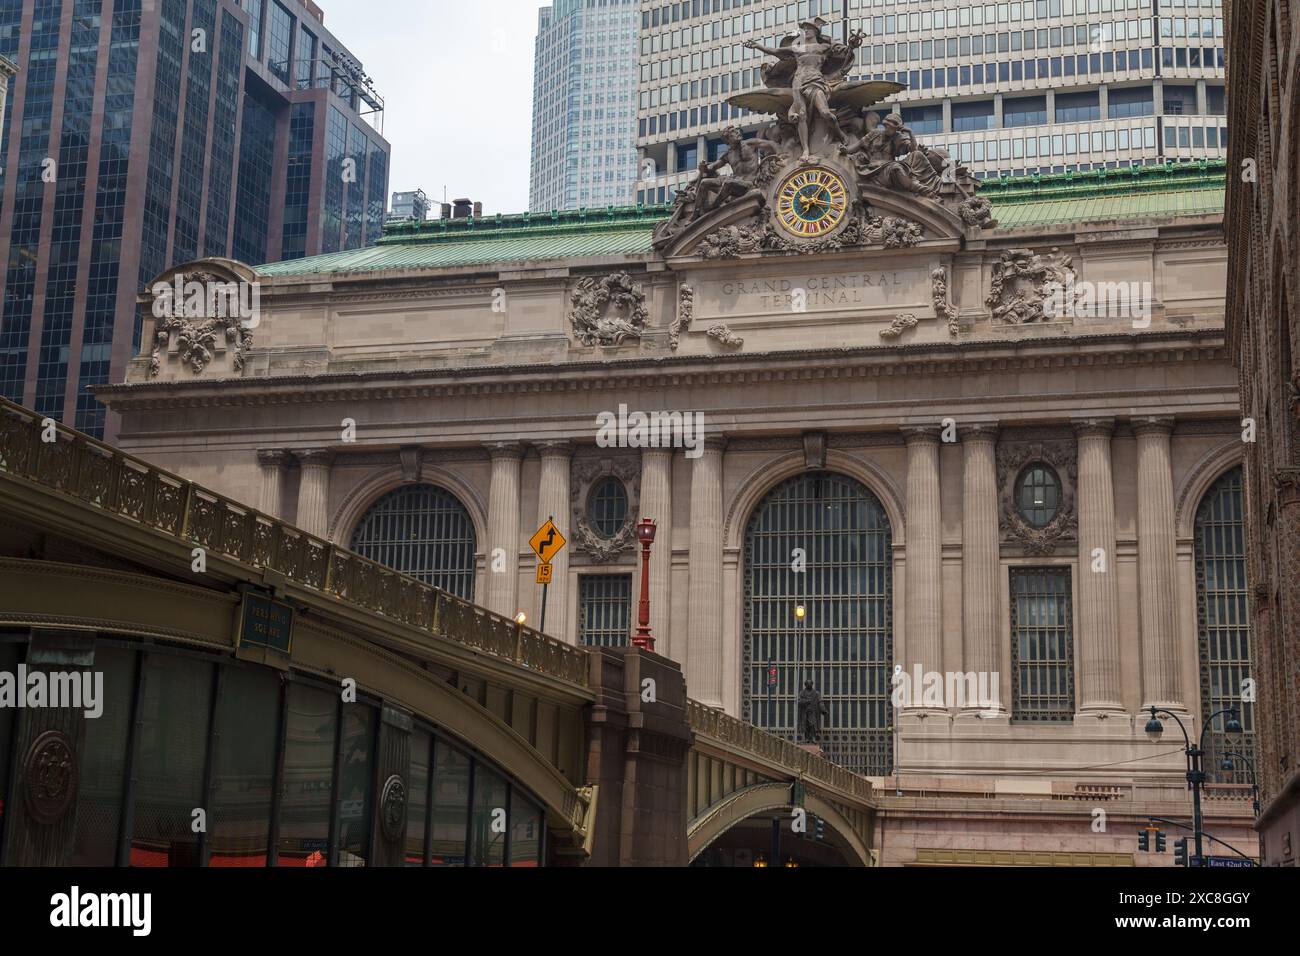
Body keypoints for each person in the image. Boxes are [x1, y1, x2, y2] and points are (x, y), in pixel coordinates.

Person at [744, 19, 850, 163]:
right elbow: (776, 51)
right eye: (804, 29)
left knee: (826, 113)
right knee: (801, 115)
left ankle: (841, 135)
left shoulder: (824, 47)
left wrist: (853, 45)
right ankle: (806, 149)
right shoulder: (797, 49)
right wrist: (758, 46)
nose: (805, 31)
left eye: (809, 28)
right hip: (798, 82)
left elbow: (844, 53)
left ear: (816, 32)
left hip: (815, 81)